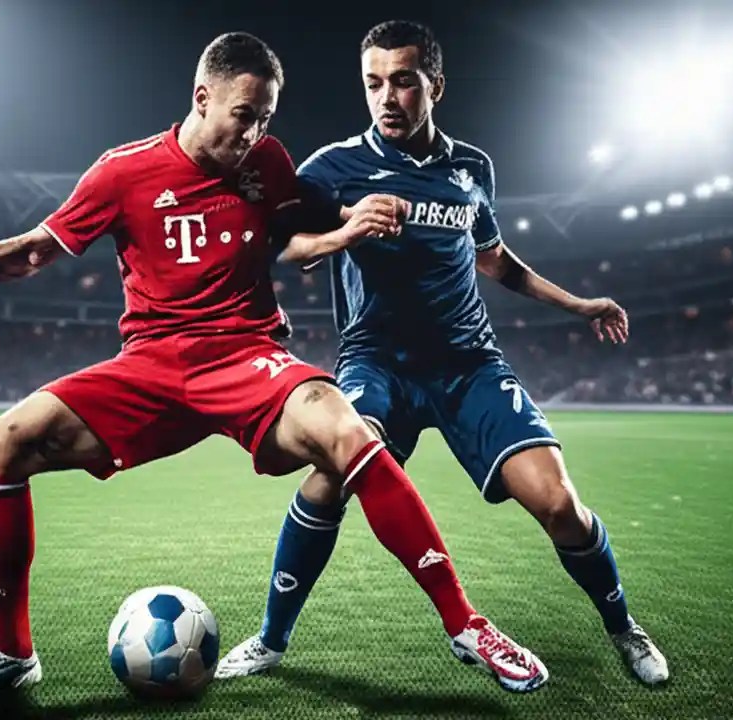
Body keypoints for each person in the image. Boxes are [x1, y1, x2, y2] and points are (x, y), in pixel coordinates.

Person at [0, 31, 546, 703]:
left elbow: (302, 239)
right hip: (151, 365)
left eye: (266, 120)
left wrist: (349, 225)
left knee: (352, 436)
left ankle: (467, 625)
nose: (254, 134)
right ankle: (9, 649)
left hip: (246, 355)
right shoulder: (122, 171)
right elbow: (30, 254)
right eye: (244, 116)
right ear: (203, 98)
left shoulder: (270, 165)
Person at [217, 21, 668, 686]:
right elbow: (286, 248)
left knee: (560, 505)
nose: (386, 97)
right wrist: (345, 230)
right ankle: (271, 639)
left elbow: (496, 260)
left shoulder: (472, 168)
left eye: (403, 80)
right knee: (328, 482)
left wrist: (578, 304)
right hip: (377, 366)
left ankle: (623, 626)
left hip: (469, 367)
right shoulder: (333, 168)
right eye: (373, 83)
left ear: (436, 84)